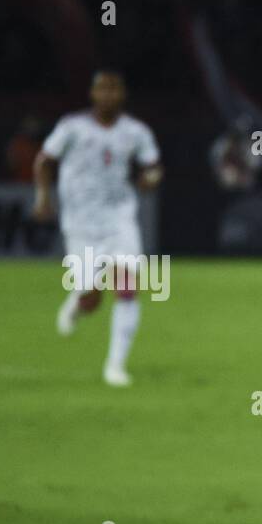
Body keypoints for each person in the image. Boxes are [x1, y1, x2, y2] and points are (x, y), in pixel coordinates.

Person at [34, 69, 162, 387]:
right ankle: (76, 303)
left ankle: (115, 367)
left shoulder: (136, 131)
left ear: (123, 94)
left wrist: (151, 178)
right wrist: (42, 198)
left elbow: (152, 166)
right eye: (102, 89)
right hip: (80, 221)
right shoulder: (72, 127)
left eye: (114, 90)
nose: (108, 95)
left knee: (127, 286)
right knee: (92, 297)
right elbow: (44, 161)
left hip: (119, 218)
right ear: (92, 94)